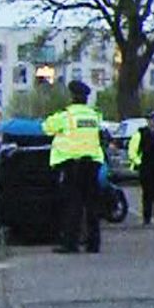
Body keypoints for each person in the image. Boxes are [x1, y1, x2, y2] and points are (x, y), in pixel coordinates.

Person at [40, 80, 106, 254]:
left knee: (73, 205)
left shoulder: (65, 116)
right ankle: (94, 243)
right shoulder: (94, 115)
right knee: (92, 205)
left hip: (73, 165)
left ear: (71, 97)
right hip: (92, 164)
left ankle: (71, 243)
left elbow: (46, 128)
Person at [135, 110, 154, 227]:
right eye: (151, 119)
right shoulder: (141, 133)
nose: (153, 122)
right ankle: (146, 217)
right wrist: (138, 163)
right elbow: (134, 150)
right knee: (147, 194)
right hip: (146, 167)